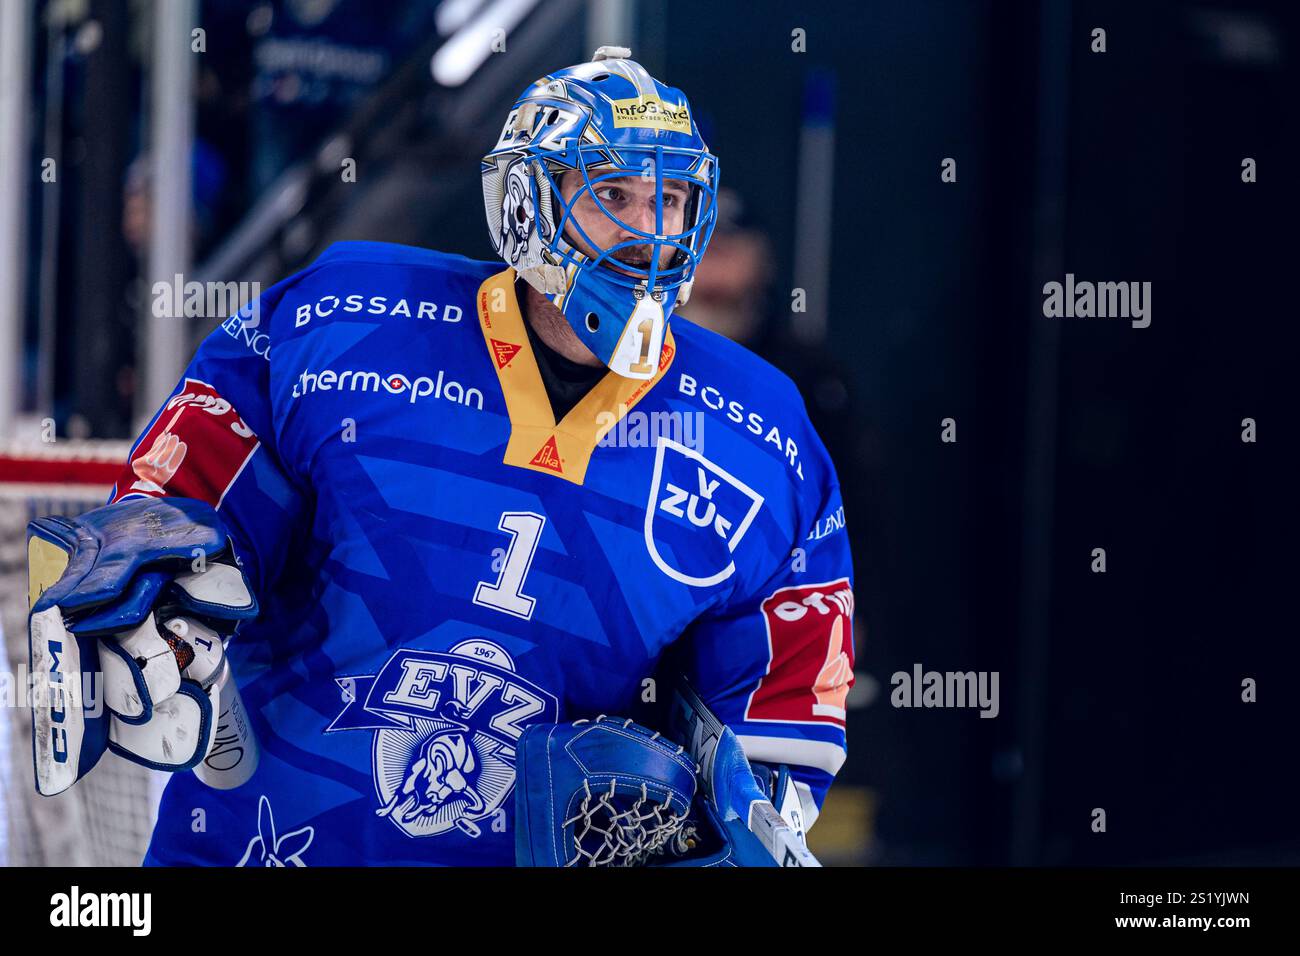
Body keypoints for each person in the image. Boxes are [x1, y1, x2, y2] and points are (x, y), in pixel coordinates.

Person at [28, 49, 854, 866]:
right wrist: (159, 594)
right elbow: (184, 501)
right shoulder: (348, 317)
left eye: (668, 201)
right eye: (612, 196)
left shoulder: (762, 435)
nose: (647, 233)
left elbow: (778, 727)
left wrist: (728, 832)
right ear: (529, 202)